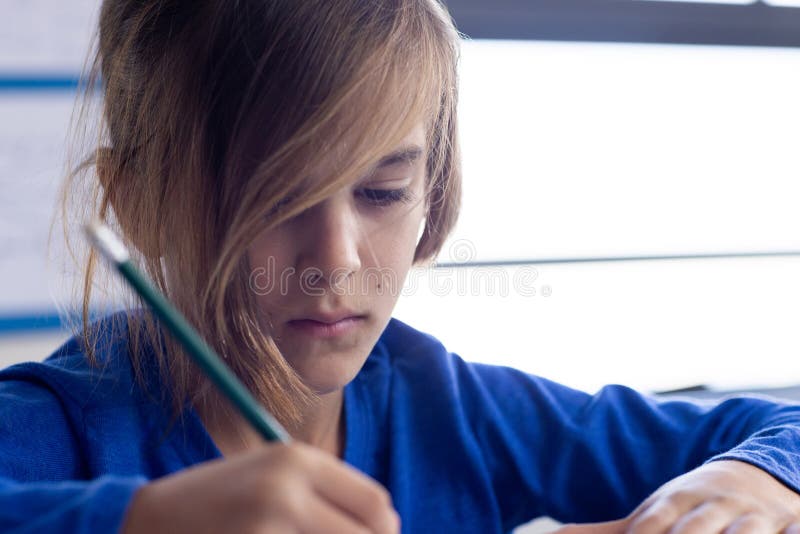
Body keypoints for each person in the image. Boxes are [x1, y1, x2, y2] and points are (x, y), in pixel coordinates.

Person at [2, 1, 800, 532]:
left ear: (435, 191)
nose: (337, 260)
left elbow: (779, 428)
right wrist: (145, 519)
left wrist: (745, 484)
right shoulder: (60, 423)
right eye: (275, 199)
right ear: (136, 200)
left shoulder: (453, 407)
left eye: (383, 191)